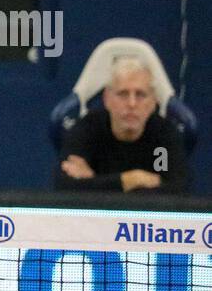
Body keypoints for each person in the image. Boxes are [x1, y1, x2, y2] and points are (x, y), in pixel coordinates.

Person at [57, 58, 188, 193]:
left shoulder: (162, 137)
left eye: (141, 94)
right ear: (107, 99)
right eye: (123, 94)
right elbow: (63, 186)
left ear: (153, 102)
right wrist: (132, 179)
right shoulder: (88, 129)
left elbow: (176, 190)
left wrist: (95, 183)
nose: (132, 103)